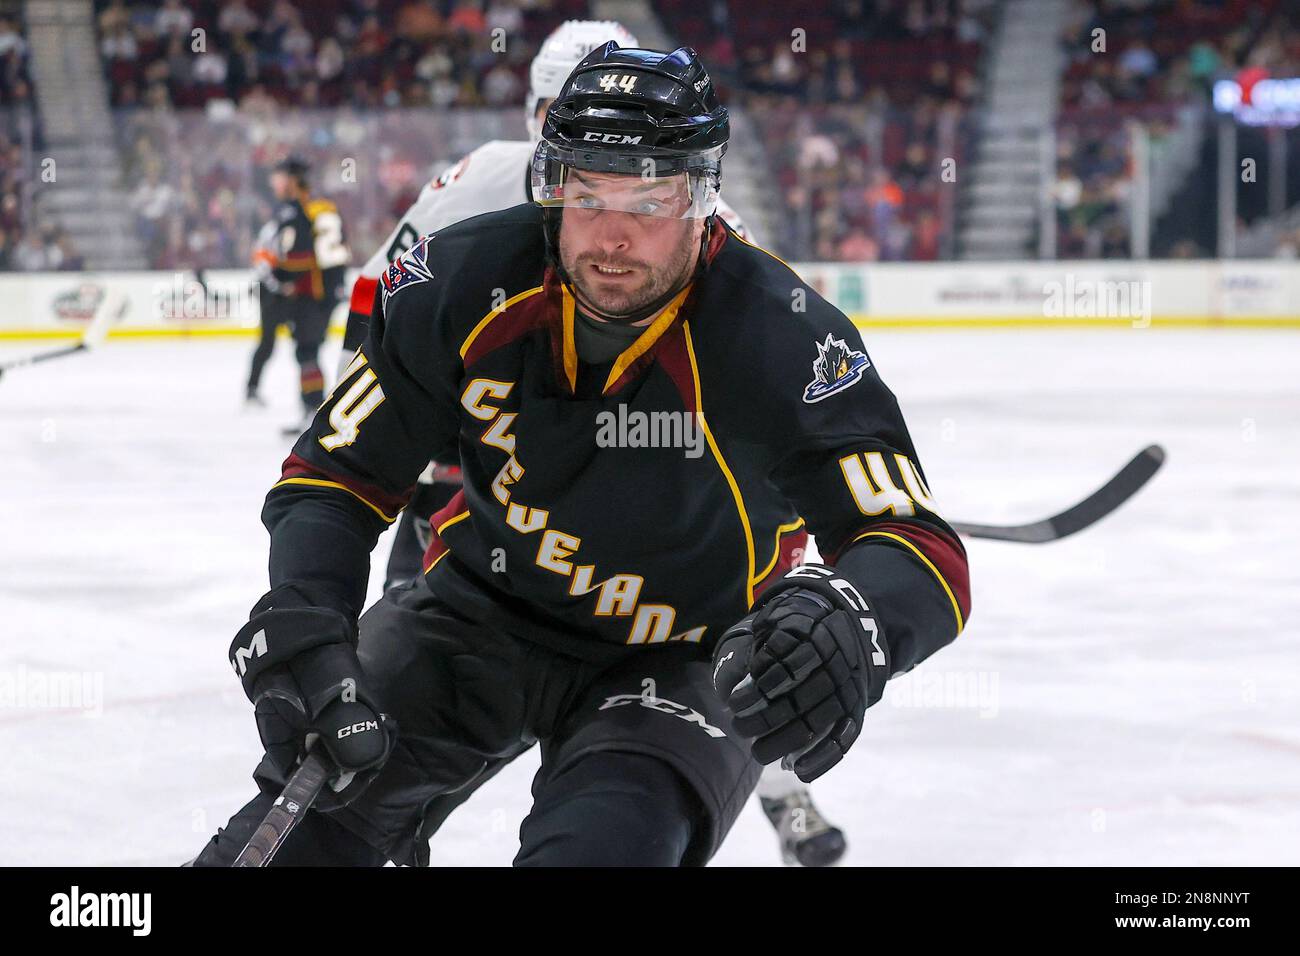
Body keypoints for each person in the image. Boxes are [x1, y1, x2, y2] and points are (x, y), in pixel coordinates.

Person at [193, 43, 969, 867]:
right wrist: (310, 618)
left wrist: (852, 619)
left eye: (651, 196)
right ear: (549, 181)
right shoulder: (459, 281)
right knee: (285, 847)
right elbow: (335, 474)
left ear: (704, 195)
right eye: (588, 191)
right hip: (477, 609)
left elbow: (919, 547)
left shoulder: (782, 334)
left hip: (684, 656)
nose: (613, 235)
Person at [341, 19, 849, 867]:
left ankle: (781, 793)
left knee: (702, 635)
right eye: (569, 124)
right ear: (542, 113)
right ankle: (389, 816)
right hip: (487, 476)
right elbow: (382, 307)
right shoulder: (484, 182)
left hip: (623, 499)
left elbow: (765, 360)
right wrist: (404, 424)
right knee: (417, 663)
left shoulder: (701, 216)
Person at [246, 156, 350, 431]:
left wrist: (279, 278)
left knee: (307, 351)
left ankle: (315, 413)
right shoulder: (324, 206)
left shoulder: (295, 210)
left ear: (293, 180)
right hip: (329, 289)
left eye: (280, 178)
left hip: (311, 293)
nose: (275, 183)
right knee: (309, 351)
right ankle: (314, 412)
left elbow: (299, 258)